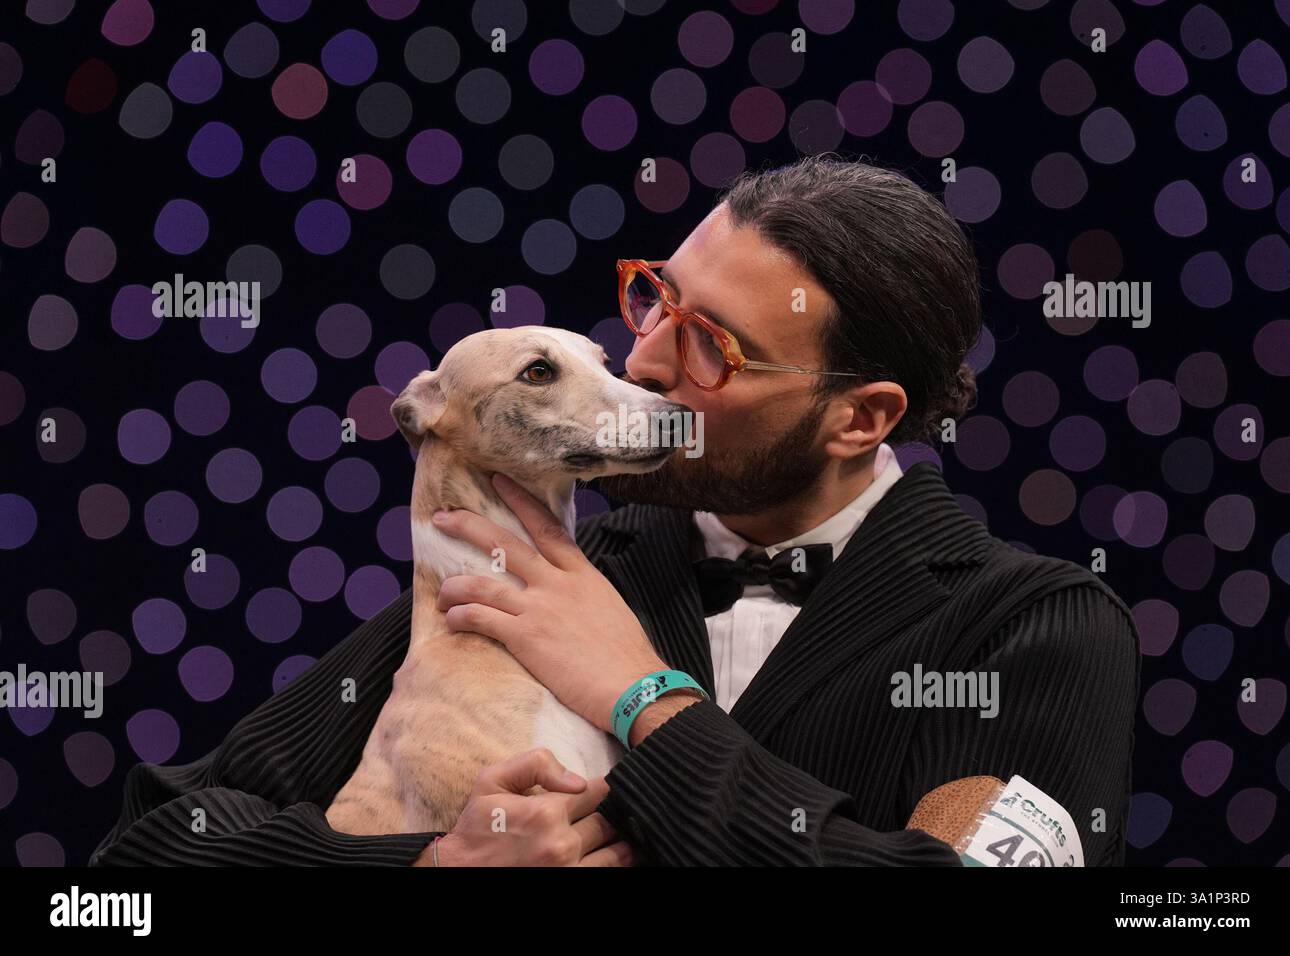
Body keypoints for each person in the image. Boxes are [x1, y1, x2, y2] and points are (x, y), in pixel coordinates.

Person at [91, 155, 1139, 867]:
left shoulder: (1037, 623)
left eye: (710, 346)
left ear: (859, 418)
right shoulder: (531, 574)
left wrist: (646, 699)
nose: (639, 362)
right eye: (655, 297)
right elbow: (135, 861)